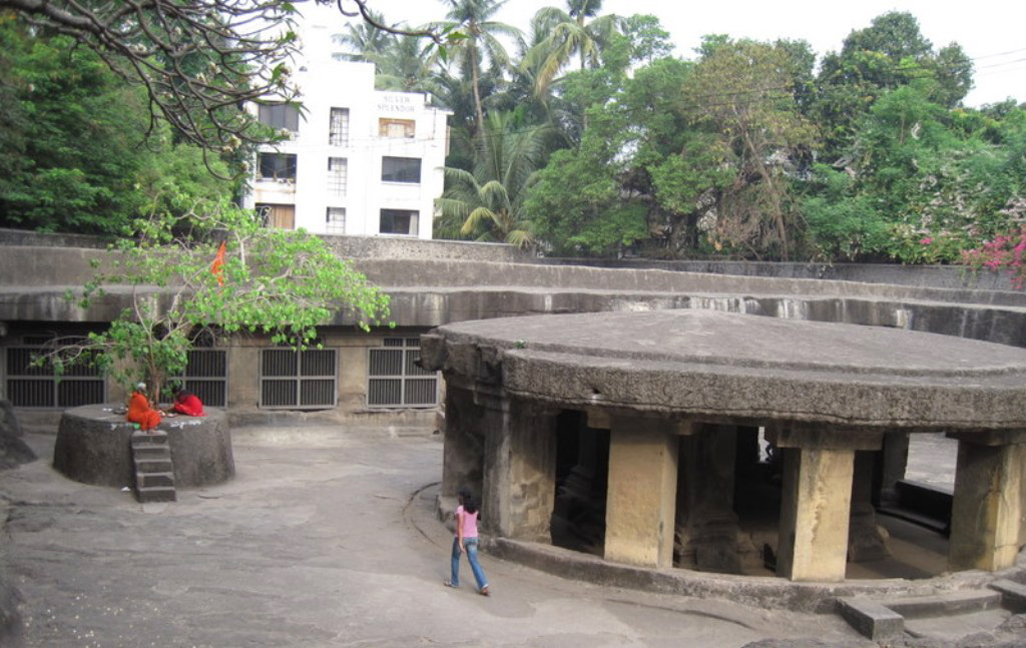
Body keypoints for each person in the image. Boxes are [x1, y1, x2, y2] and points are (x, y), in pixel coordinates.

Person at [444, 486, 490, 596]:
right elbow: (474, 523)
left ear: (462, 497)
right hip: (473, 537)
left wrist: (460, 542)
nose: (458, 497)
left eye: (459, 495)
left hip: (463, 537)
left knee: (455, 558)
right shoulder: (474, 509)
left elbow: (460, 527)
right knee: (474, 561)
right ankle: (483, 585)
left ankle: (454, 582)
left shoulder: (460, 509)